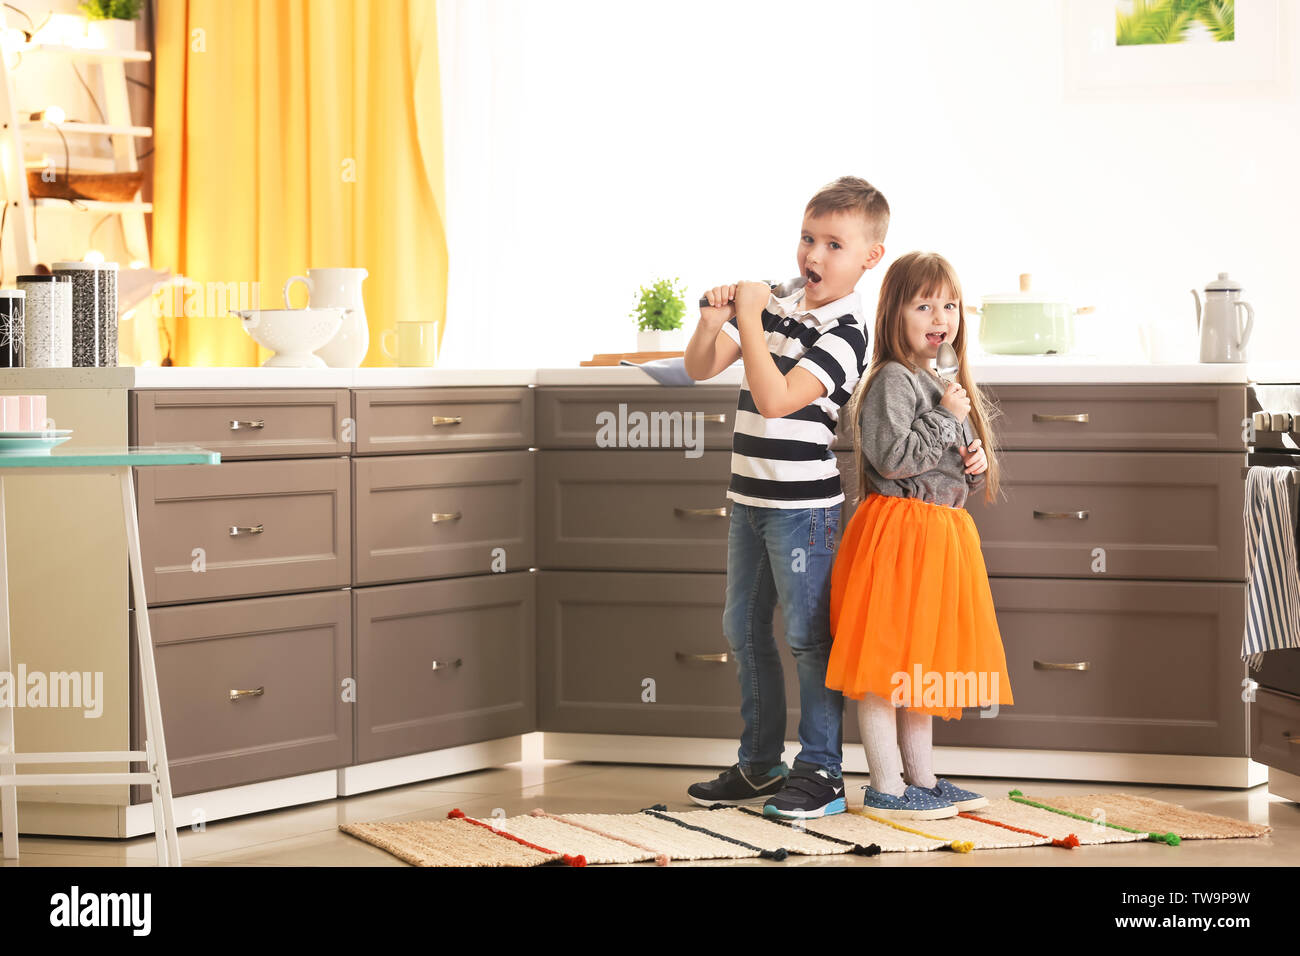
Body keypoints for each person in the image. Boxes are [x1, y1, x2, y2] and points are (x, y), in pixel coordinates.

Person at [682, 176, 889, 818]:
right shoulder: (776, 305)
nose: (814, 256)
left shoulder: (849, 335)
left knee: (807, 637)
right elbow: (700, 366)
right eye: (808, 238)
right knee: (742, 632)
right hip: (748, 501)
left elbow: (773, 401)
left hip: (804, 512)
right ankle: (760, 763)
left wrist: (747, 313)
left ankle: (823, 771)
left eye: (834, 244)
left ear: (867, 258)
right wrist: (715, 319)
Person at [826, 250, 1013, 820]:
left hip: (938, 536)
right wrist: (944, 417)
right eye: (924, 304)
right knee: (885, 667)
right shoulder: (891, 379)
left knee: (919, 668)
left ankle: (921, 779)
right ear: (894, 315)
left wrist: (970, 456)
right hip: (900, 536)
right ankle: (885, 786)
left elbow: (935, 460)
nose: (941, 316)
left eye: (950, 305)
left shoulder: (937, 380)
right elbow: (892, 456)